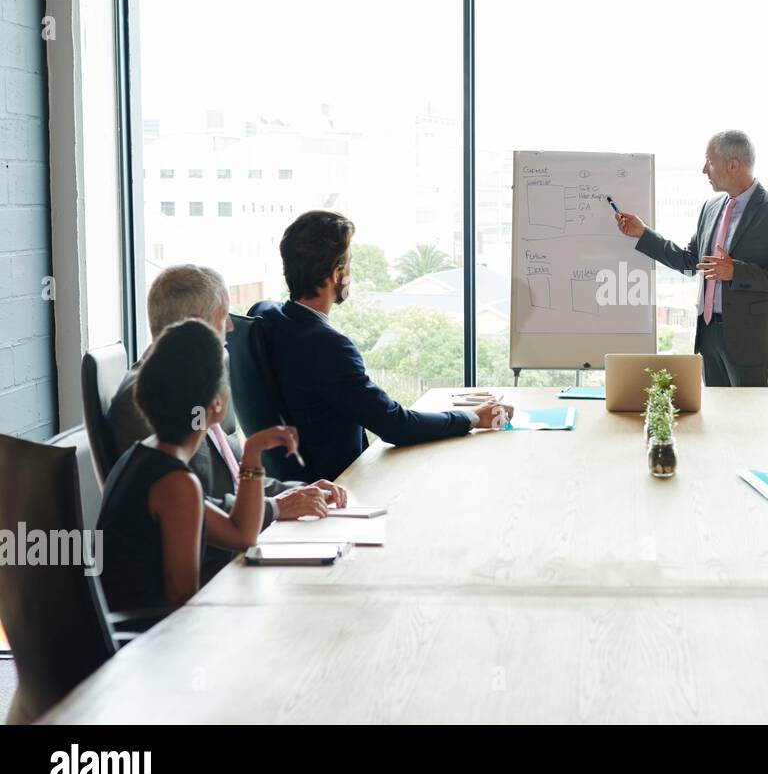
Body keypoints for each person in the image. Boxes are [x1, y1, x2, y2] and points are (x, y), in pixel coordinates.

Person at [107, 264, 346, 582]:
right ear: (196, 325)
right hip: (214, 570)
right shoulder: (147, 399)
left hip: (235, 545)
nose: (231, 328)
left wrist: (297, 493)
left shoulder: (193, 383)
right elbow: (193, 507)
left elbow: (229, 476)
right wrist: (275, 506)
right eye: (223, 317)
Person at [251, 211, 511, 481]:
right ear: (335, 275)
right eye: (349, 265)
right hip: (340, 486)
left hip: (289, 480)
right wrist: (472, 417)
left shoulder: (264, 314)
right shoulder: (328, 346)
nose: (351, 273)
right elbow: (396, 426)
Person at [99, 320, 311, 611]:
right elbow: (183, 600)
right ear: (217, 405)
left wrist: (252, 454)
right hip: (151, 643)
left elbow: (241, 533)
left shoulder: (142, 456)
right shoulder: (176, 484)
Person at [614, 130, 768, 387]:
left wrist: (736, 271)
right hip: (709, 334)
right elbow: (690, 260)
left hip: (751, 339)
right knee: (718, 420)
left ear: (733, 164)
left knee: (750, 421)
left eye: (710, 162)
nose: (705, 169)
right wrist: (643, 233)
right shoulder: (711, 207)